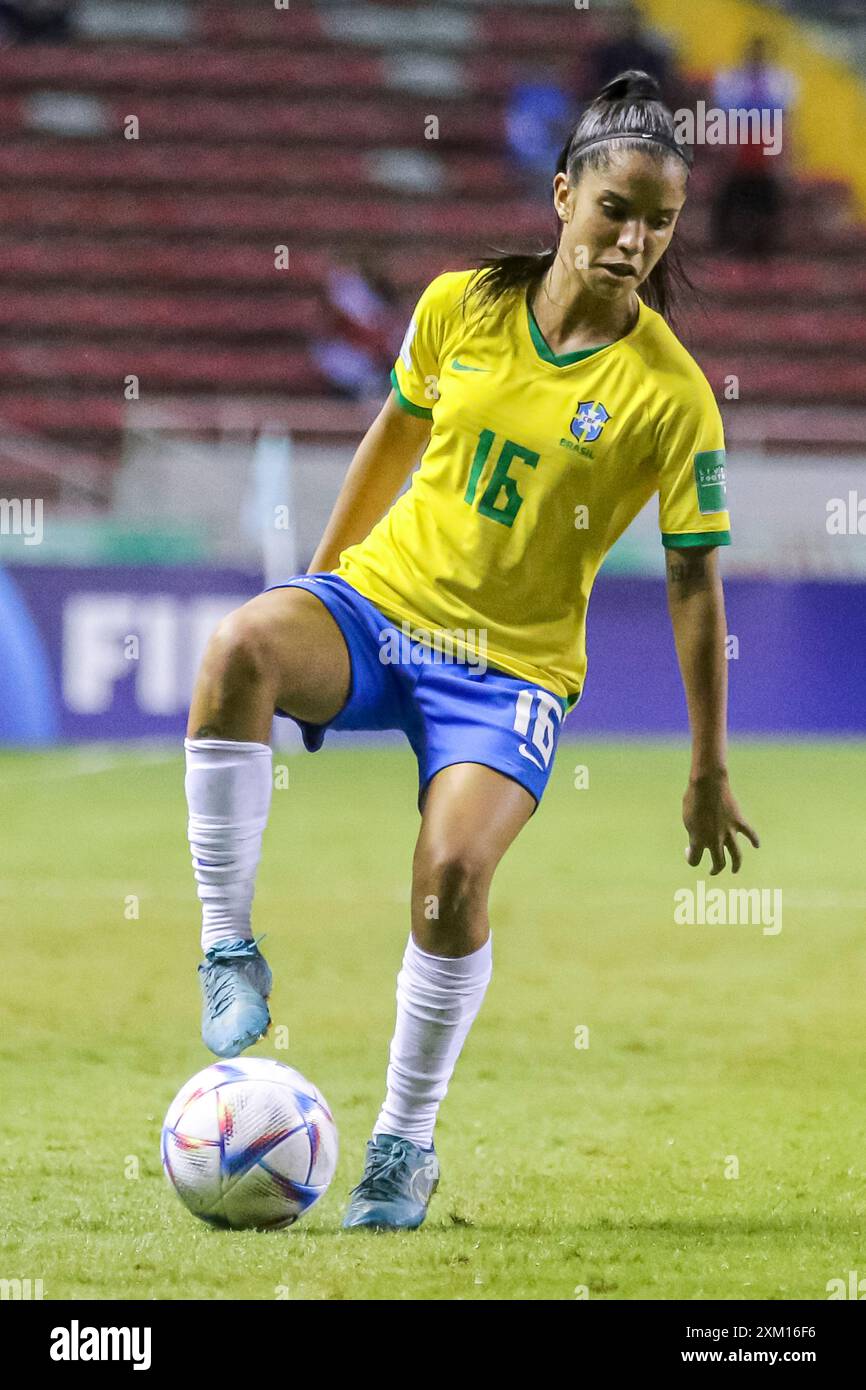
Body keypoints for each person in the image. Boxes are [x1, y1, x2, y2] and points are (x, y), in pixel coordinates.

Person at [184, 69, 759, 1233]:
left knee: (450, 882)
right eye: (615, 209)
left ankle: (401, 1142)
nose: (634, 238)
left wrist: (706, 764)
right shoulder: (459, 305)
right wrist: (323, 578)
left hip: (510, 674)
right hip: (384, 610)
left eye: (658, 220)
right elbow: (392, 434)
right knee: (240, 642)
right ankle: (223, 944)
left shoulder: (671, 398)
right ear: (562, 196)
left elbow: (696, 583)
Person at [710, 35, 797, 257]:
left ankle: (766, 248)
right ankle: (727, 245)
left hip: (766, 145)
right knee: (730, 199)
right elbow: (723, 117)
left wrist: (783, 154)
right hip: (739, 145)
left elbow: (784, 120)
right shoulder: (732, 81)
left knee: (768, 201)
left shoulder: (780, 82)